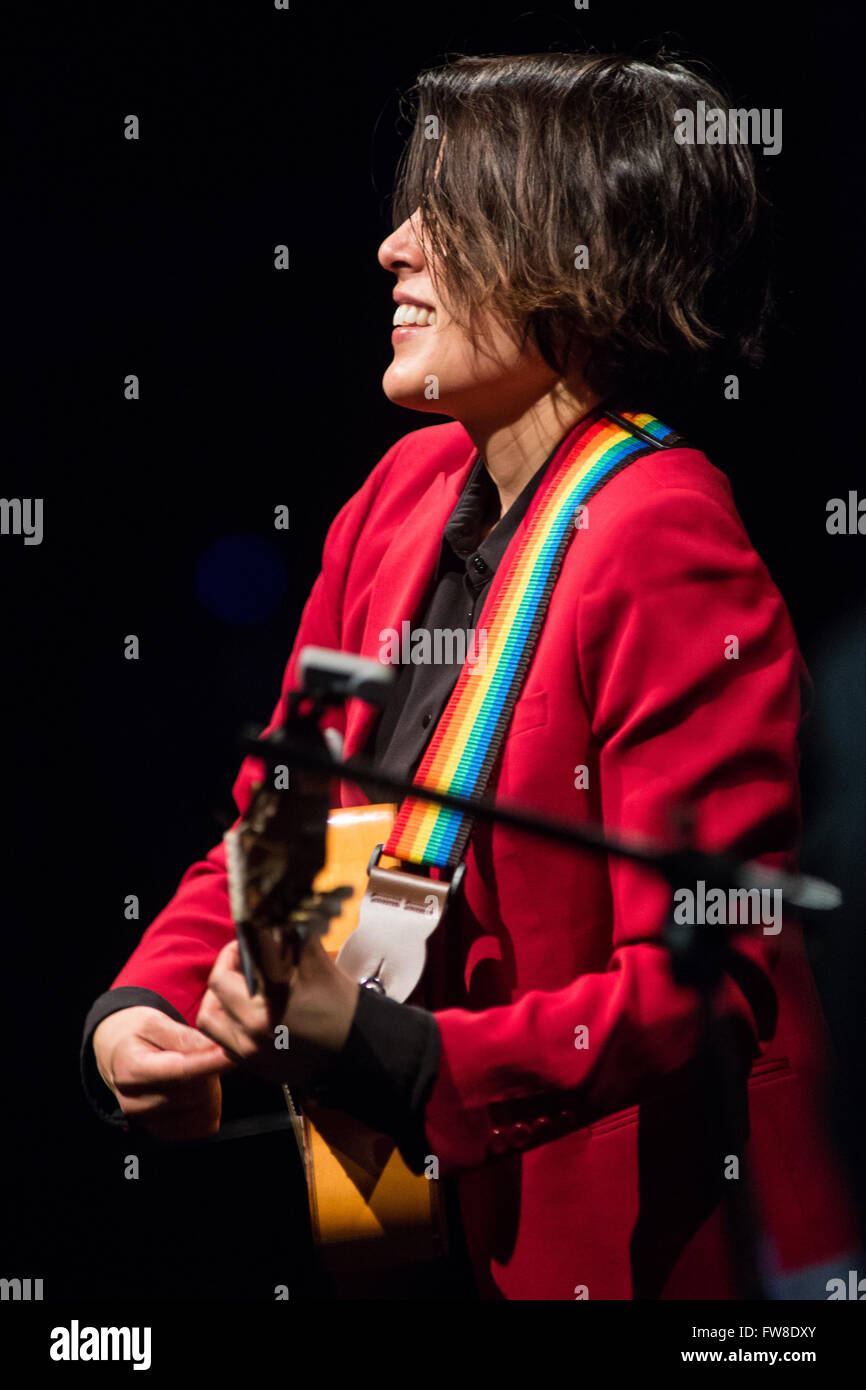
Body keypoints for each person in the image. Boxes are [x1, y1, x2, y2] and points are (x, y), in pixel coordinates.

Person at [82, 51, 857, 1300]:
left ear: (574, 250)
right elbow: (277, 824)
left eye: (445, 217)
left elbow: (699, 972)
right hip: (399, 1229)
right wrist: (143, 1011)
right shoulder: (396, 494)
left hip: (620, 1255)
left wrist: (392, 1051)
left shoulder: (666, 538)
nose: (393, 246)